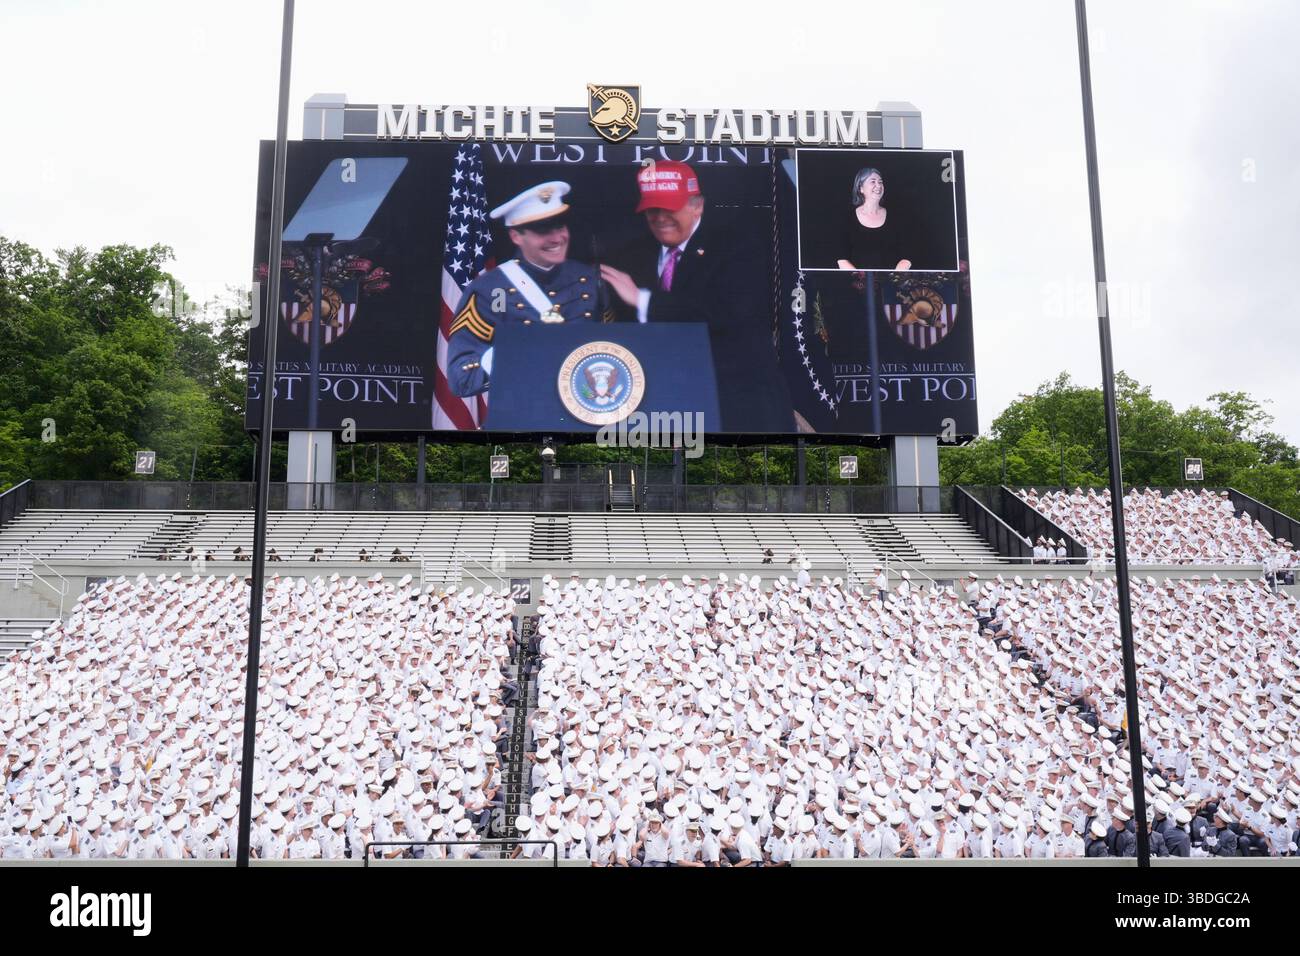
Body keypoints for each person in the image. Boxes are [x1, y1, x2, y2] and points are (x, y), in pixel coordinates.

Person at [600, 160, 793, 433]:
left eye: (670, 207)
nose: (660, 217)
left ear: (697, 205)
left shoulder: (737, 246)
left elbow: (726, 311)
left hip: (736, 404)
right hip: (664, 405)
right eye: (652, 209)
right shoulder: (631, 255)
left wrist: (644, 301)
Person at [447, 181, 607, 399]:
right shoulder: (490, 290)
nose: (556, 238)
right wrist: (517, 350)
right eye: (543, 230)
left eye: (560, 226)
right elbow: (460, 378)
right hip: (521, 412)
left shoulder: (590, 280)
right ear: (516, 236)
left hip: (584, 408)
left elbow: (612, 351)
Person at [835, 167, 913, 271]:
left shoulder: (897, 217)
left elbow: (907, 257)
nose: (878, 186)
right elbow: (842, 259)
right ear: (860, 188)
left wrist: (892, 279)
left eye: (880, 182)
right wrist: (862, 281)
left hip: (891, 284)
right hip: (857, 284)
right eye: (873, 182)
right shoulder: (847, 218)